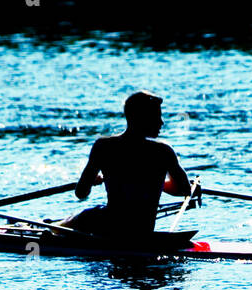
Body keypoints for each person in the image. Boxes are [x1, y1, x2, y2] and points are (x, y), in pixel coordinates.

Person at [61, 91, 193, 238]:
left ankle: (54, 229)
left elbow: (81, 193)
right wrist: (156, 183)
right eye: (156, 117)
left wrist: (90, 181)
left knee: (78, 218)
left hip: (110, 226)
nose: (161, 122)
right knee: (87, 216)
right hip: (143, 229)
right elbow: (185, 190)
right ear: (141, 118)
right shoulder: (163, 152)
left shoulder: (103, 147)